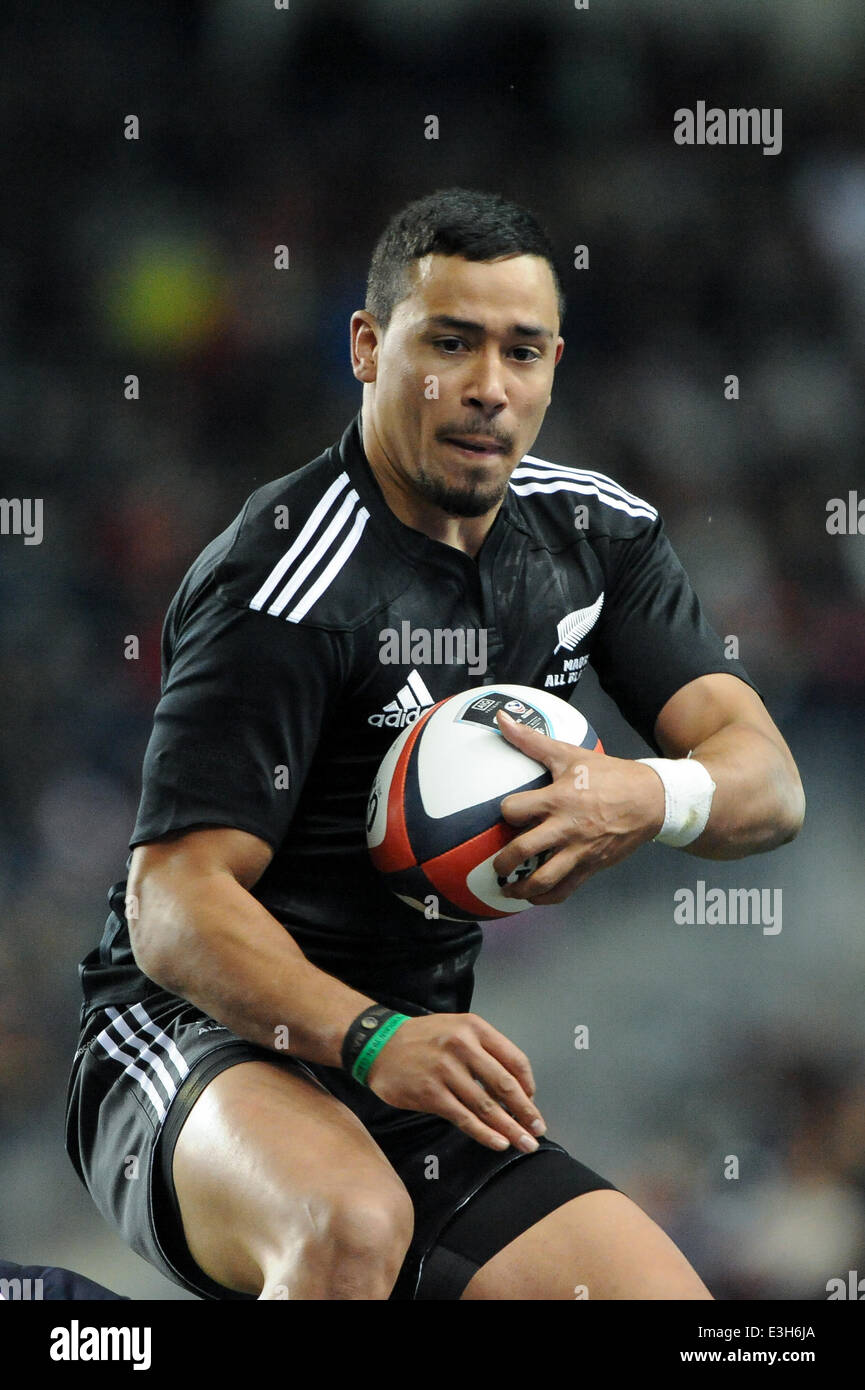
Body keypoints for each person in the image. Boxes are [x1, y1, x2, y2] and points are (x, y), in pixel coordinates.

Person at [65, 188, 805, 1301]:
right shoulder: (278, 579)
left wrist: (643, 794)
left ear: (556, 365)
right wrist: (363, 1038)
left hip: (416, 1058)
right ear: (368, 348)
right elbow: (171, 899)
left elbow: (768, 785)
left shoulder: (596, 536)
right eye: (447, 343)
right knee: (348, 1226)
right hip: (199, 1038)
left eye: (520, 351)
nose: (486, 389)